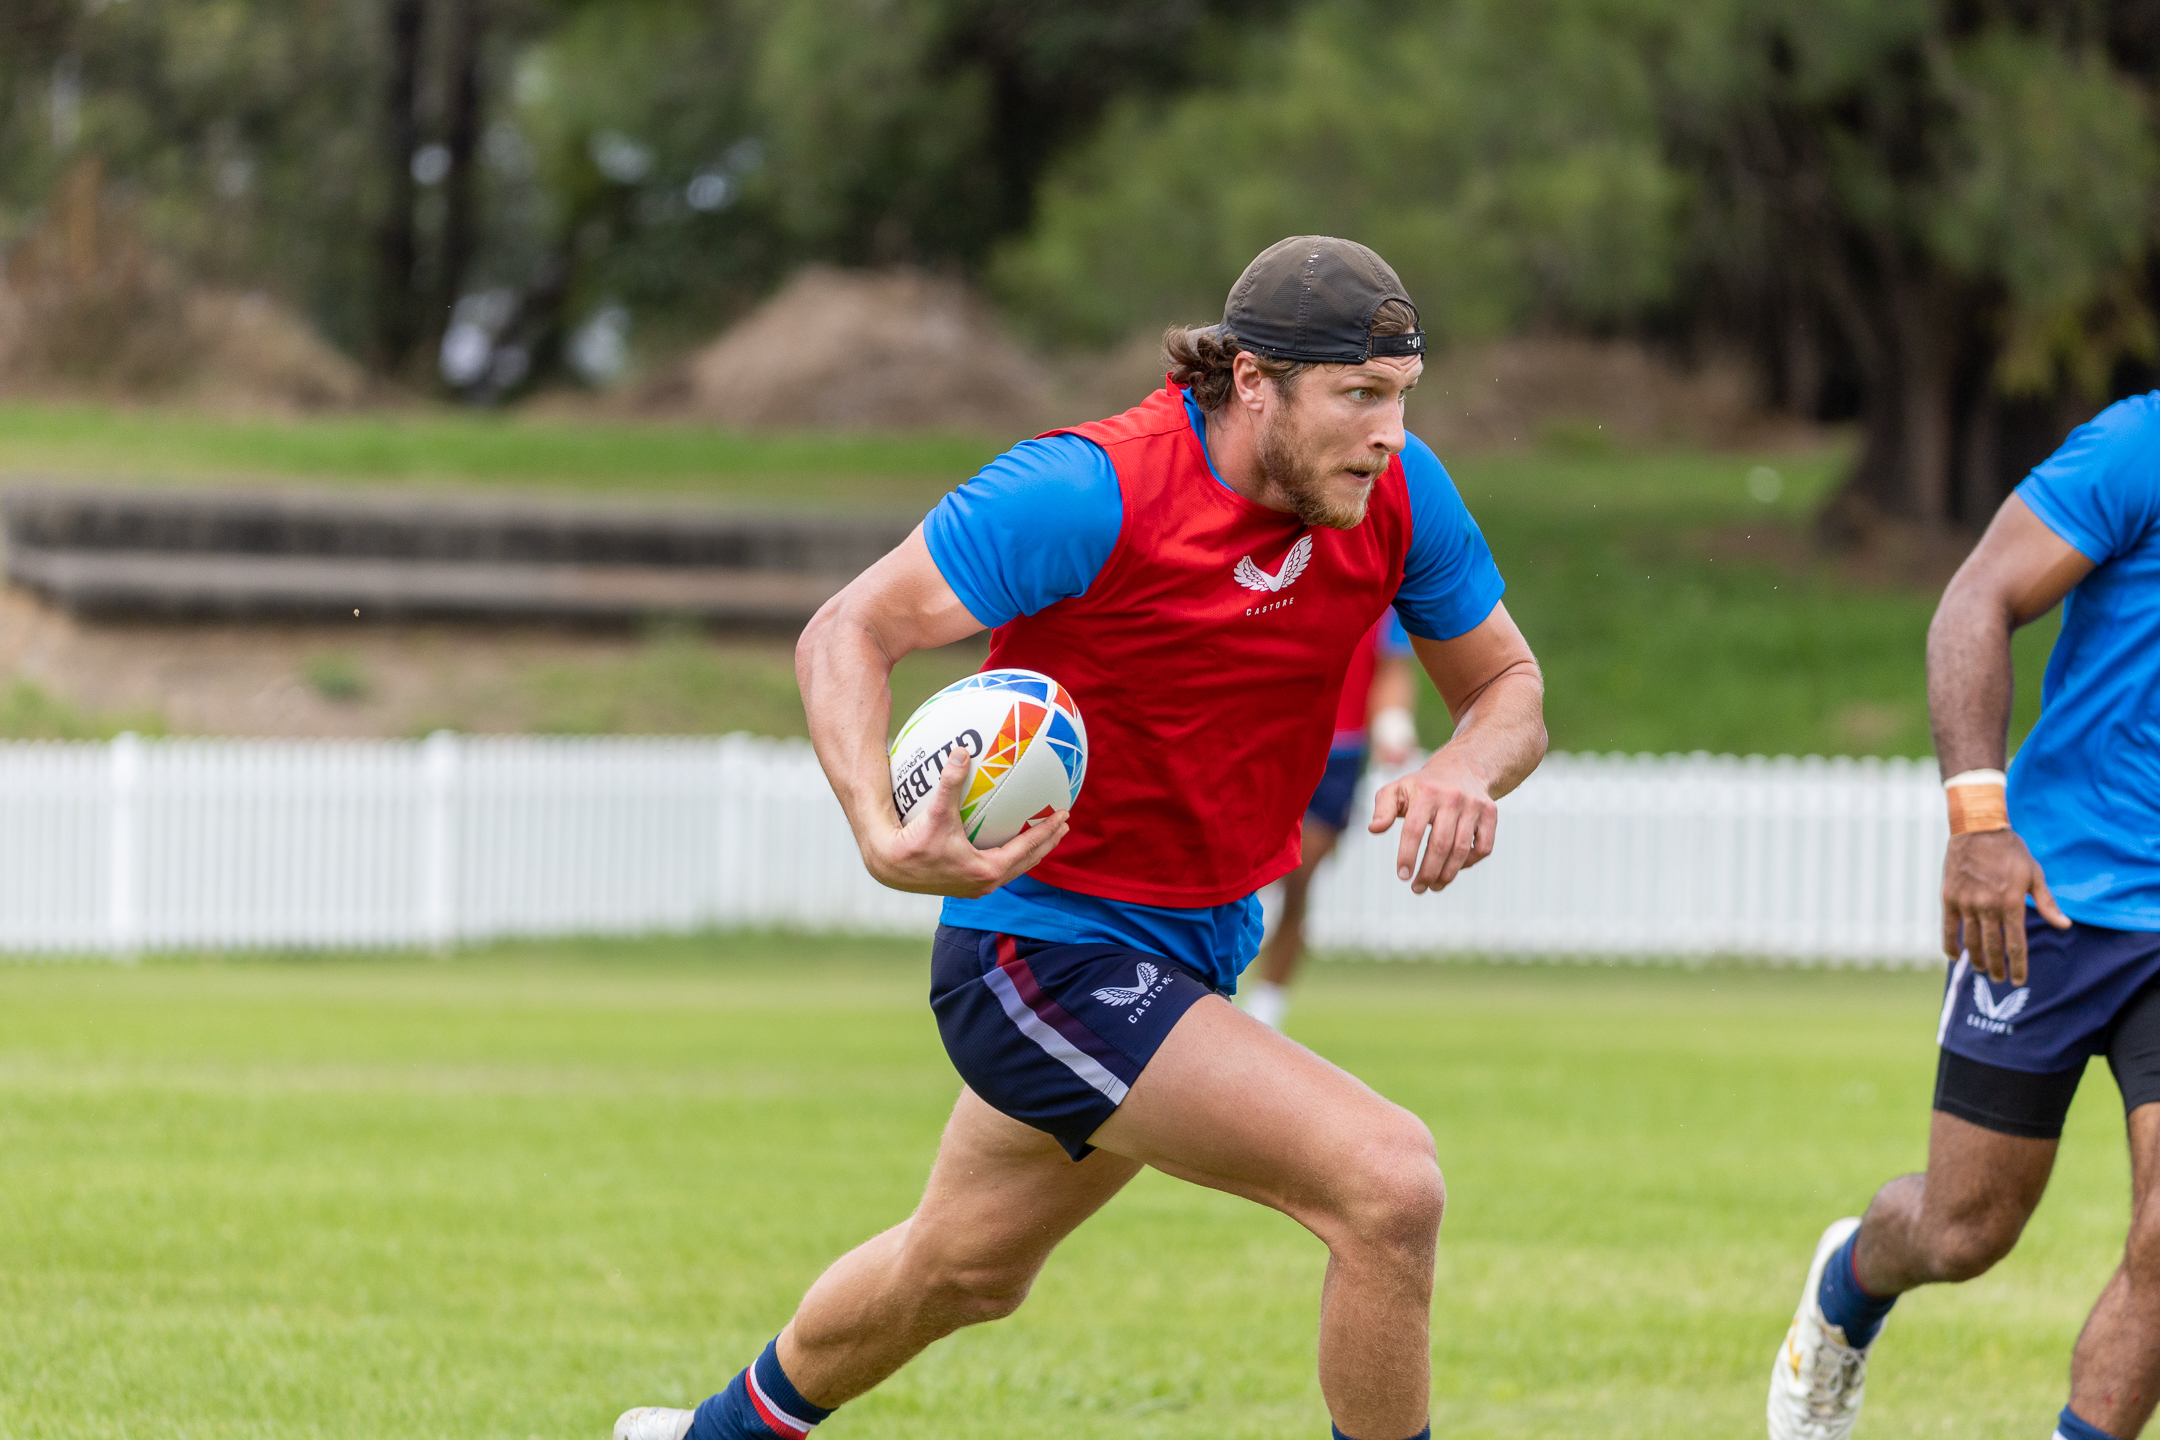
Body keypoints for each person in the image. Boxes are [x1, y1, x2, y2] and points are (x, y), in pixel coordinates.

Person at [613, 235, 1546, 1440]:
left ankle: (704, 1439)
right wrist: (876, 828)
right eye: (1359, 397)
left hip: (1197, 942)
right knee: (1387, 1182)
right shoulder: (1087, 491)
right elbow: (848, 630)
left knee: (959, 1273)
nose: (1388, 432)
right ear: (1254, 380)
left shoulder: (1398, 492)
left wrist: (1469, 765)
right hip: (1039, 952)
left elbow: (1508, 683)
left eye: (1403, 398)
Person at [1766, 394, 2160, 1440]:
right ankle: (1848, 1291)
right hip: (2058, 897)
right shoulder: (2141, 447)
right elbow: (1976, 599)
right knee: (1965, 1228)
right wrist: (1979, 824)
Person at [1241, 610, 1420, 1031]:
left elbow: (1393, 668)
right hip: (1267, 744)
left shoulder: (1385, 586)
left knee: (1298, 876)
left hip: (1339, 757)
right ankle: (1205, 992)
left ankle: (1264, 1013)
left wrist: (1394, 723)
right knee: (1243, 878)